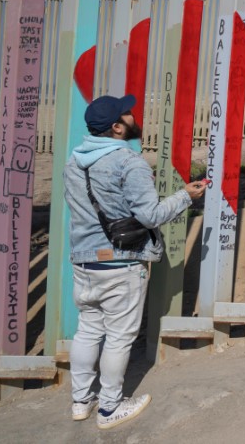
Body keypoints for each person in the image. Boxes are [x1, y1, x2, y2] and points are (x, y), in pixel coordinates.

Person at [63, 94, 206, 429]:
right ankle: (110, 408)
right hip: (120, 264)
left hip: (84, 264)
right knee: (119, 337)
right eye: (126, 113)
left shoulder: (74, 161)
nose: (132, 116)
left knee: (87, 331)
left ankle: (81, 402)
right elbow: (151, 215)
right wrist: (186, 195)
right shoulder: (129, 162)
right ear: (116, 127)